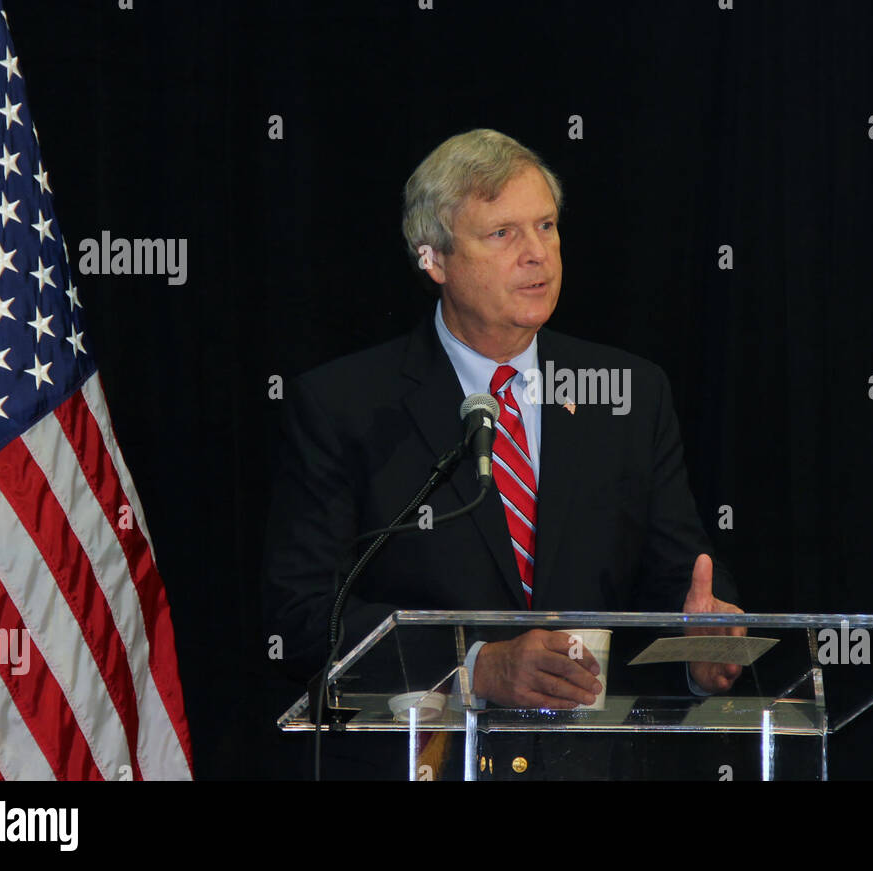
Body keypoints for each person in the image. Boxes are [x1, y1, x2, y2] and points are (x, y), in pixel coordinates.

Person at [263, 129, 742, 774]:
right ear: (433, 258)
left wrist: (702, 645)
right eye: (502, 234)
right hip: (425, 760)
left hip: (591, 762)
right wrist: (475, 667)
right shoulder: (346, 406)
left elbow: (679, 580)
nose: (537, 254)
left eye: (546, 226)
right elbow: (302, 618)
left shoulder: (629, 393)